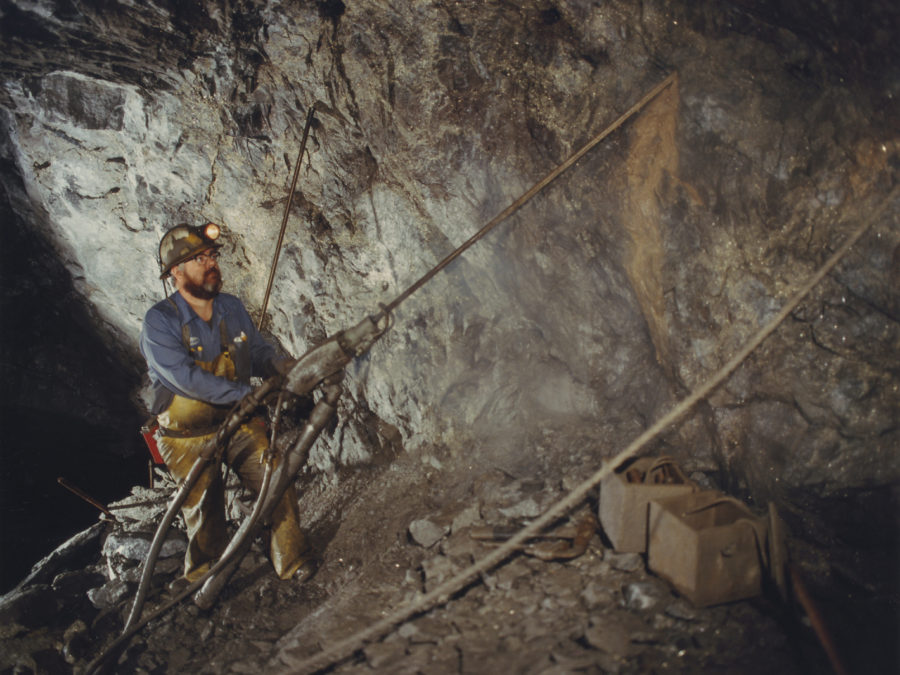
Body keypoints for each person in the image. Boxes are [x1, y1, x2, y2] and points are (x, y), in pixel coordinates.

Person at [140, 222, 314, 584]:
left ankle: (292, 563)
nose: (210, 263)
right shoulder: (159, 321)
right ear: (176, 271)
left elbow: (259, 351)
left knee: (276, 478)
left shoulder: (231, 307)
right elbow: (185, 379)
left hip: (239, 420)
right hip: (186, 437)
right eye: (198, 258)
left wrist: (281, 366)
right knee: (206, 514)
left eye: (212, 256)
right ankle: (203, 581)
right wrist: (247, 396)